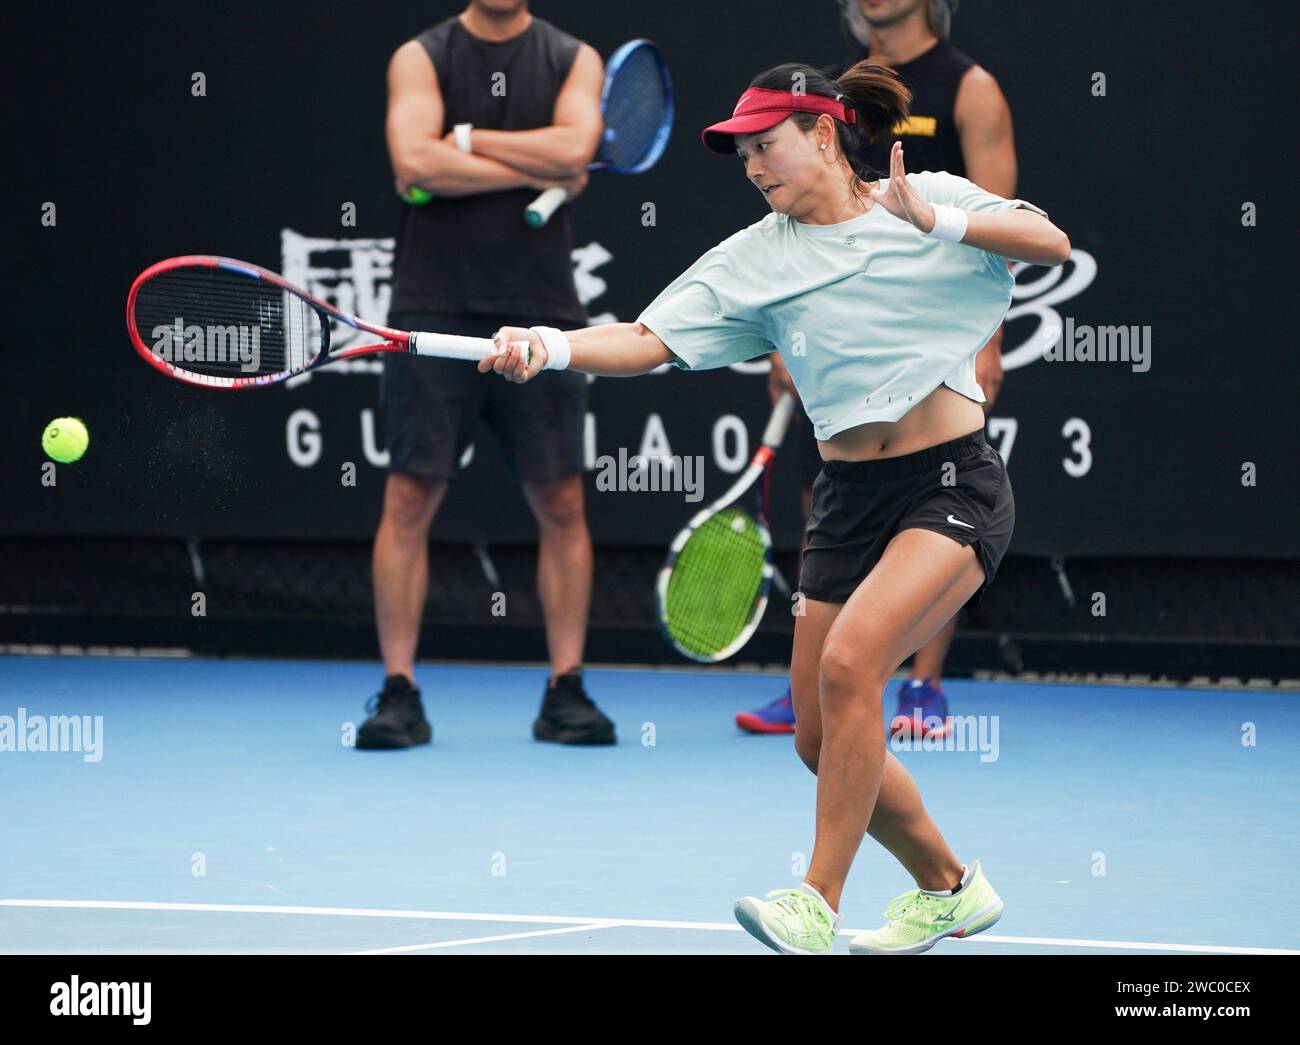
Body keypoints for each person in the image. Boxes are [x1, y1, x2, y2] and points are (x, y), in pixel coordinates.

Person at [478, 61, 1068, 954]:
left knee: (852, 662)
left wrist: (933, 222)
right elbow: (645, 338)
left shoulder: (926, 194)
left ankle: (815, 901)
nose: (753, 164)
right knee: (816, 734)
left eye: (767, 144)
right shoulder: (756, 257)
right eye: (742, 152)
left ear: (824, 134)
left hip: (951, 481)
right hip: (846, 503)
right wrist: (550, 344)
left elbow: (1050, 244)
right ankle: (950, 886)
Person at [737, 0, 1020, 739]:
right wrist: (783, 337)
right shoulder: (826, 96)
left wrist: (986, 343)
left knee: (937, 504)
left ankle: (921, 685)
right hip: (840, 337)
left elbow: (1002, 222)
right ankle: (828, 673)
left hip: (936, 328)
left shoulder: (970, 87)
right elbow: (806, 223)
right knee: (826, 489)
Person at [357, 0, 617, 749]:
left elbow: (576, 154)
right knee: (409, 495)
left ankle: (566, 688)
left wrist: (465, 143)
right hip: (432, 305)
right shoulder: (420, 56)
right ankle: (398, 690)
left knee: (562, 499)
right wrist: (535, 160)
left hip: (542, 308)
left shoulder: (574, 58)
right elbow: (414, 163)